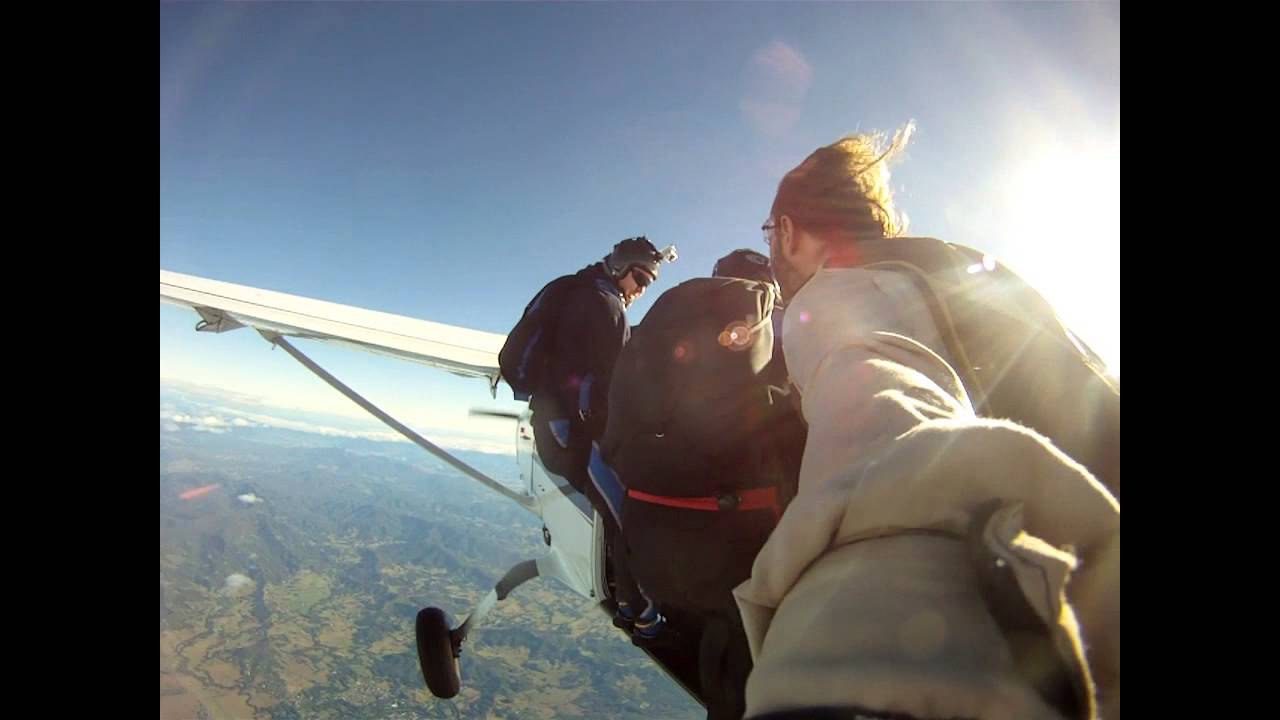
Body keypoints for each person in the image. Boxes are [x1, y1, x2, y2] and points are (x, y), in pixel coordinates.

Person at [734, 125, 1120, 720]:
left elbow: (886, 420)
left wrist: (868, 656)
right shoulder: (969, 268)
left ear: (787, 231)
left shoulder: (831, 299)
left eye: (769, 233)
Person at [500, 236, 674, 632]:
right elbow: (617, 380)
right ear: (620, 269)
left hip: (552, 427)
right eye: (640, 278)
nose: (642, 289)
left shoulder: (576, 290)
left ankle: (633, 602)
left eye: (648, 282)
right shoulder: (606, 306)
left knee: (620, 509)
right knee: (625, 513)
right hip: (571, 437)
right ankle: (641, 613)